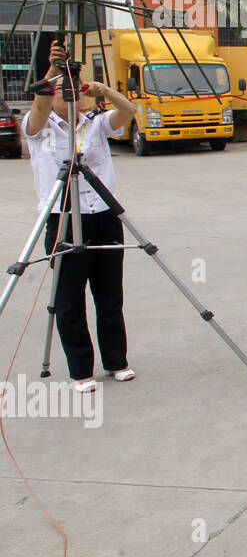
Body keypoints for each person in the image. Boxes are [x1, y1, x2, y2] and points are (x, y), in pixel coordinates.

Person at [23, 39, 137, 392]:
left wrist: (103, 89)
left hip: (103, 215)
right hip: (62, 218)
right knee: (69, 299)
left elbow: (128, 112)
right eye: (65, 91)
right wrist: (54, 70)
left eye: (78, 91)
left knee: (109, 295)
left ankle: (116, 361)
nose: (73, 96)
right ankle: (80, 370)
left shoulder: (97, 123)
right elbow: (40, 103)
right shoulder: (39, 126)